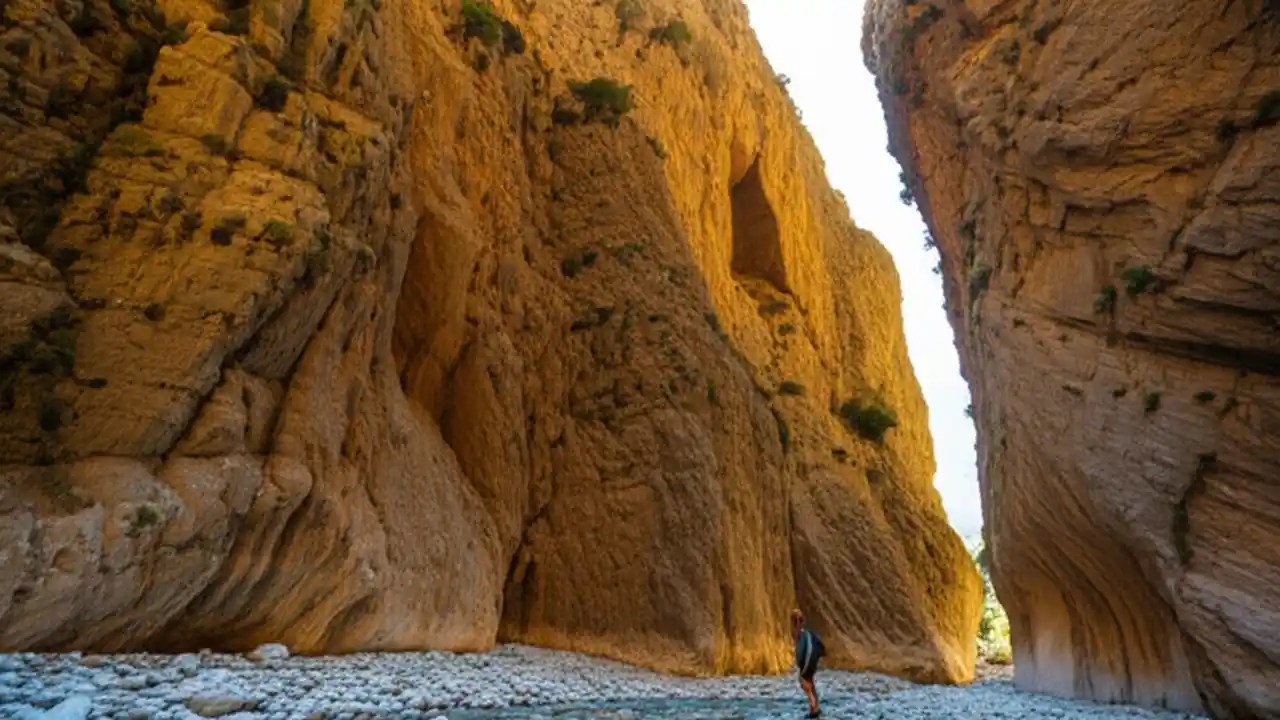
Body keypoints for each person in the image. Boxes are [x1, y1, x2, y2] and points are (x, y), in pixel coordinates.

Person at [791, 608, 823, 718]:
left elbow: (808, 651)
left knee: (804, 683)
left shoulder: (804, 634)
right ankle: (815, 707)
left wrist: (804, 668)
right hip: (806, 664)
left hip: (808, 664)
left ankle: (813, 707)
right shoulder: (799, 634)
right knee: (810, 684)